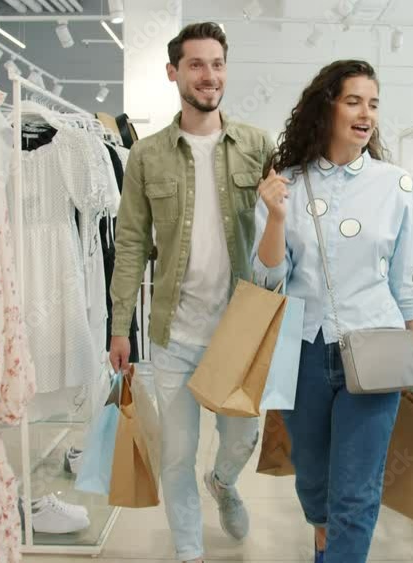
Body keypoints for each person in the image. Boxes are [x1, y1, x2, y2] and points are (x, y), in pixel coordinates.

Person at [108, 22, 275, 563]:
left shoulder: (255, 144)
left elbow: (285, 232)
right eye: (197, 64)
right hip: (175, 333)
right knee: (177, 454)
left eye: (218, 64)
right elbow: (130, 242)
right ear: (174, 72)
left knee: (241, 441)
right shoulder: (148, 156)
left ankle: (223, 483)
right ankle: (188, 551)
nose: (209, 75)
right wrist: (118, 326)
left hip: (239, 332)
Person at [253, 60, 413, 563]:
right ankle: (323, 539)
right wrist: (275, 218)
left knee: (354, 495)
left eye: (373, 104)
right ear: (326, 106)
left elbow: (407, 274)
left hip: (376, 345)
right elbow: (267, 277)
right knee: (314, 483)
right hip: (302, 349)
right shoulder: (284, 182)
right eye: (354, 101)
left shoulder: (395, 184)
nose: (365, 114)